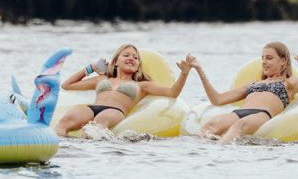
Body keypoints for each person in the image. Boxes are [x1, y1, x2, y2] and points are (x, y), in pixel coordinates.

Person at [192, 42, 298, 143]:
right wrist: (200, 71)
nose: (264, 62)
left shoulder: (290, 82)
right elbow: (217, 99)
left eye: (269, 58)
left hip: (261, 114)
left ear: (283, 61)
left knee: (240, 126)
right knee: (210, 125)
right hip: (239, 113)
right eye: (263, 58)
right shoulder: (253, 84)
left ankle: (219, 158)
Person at [55, 44, 195, 137]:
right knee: (67, 119)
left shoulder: (142, 85)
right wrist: (90, 68)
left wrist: (184, 73)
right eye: (126, 55)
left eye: (135, 58)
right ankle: (64, 150)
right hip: (92, 107)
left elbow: (172, 93)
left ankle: (90, 154)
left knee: (98, 123)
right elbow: (67, 85)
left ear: (138, 65)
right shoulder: (102, 79)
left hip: (115, 111)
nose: (131, 59)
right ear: (116, 61)